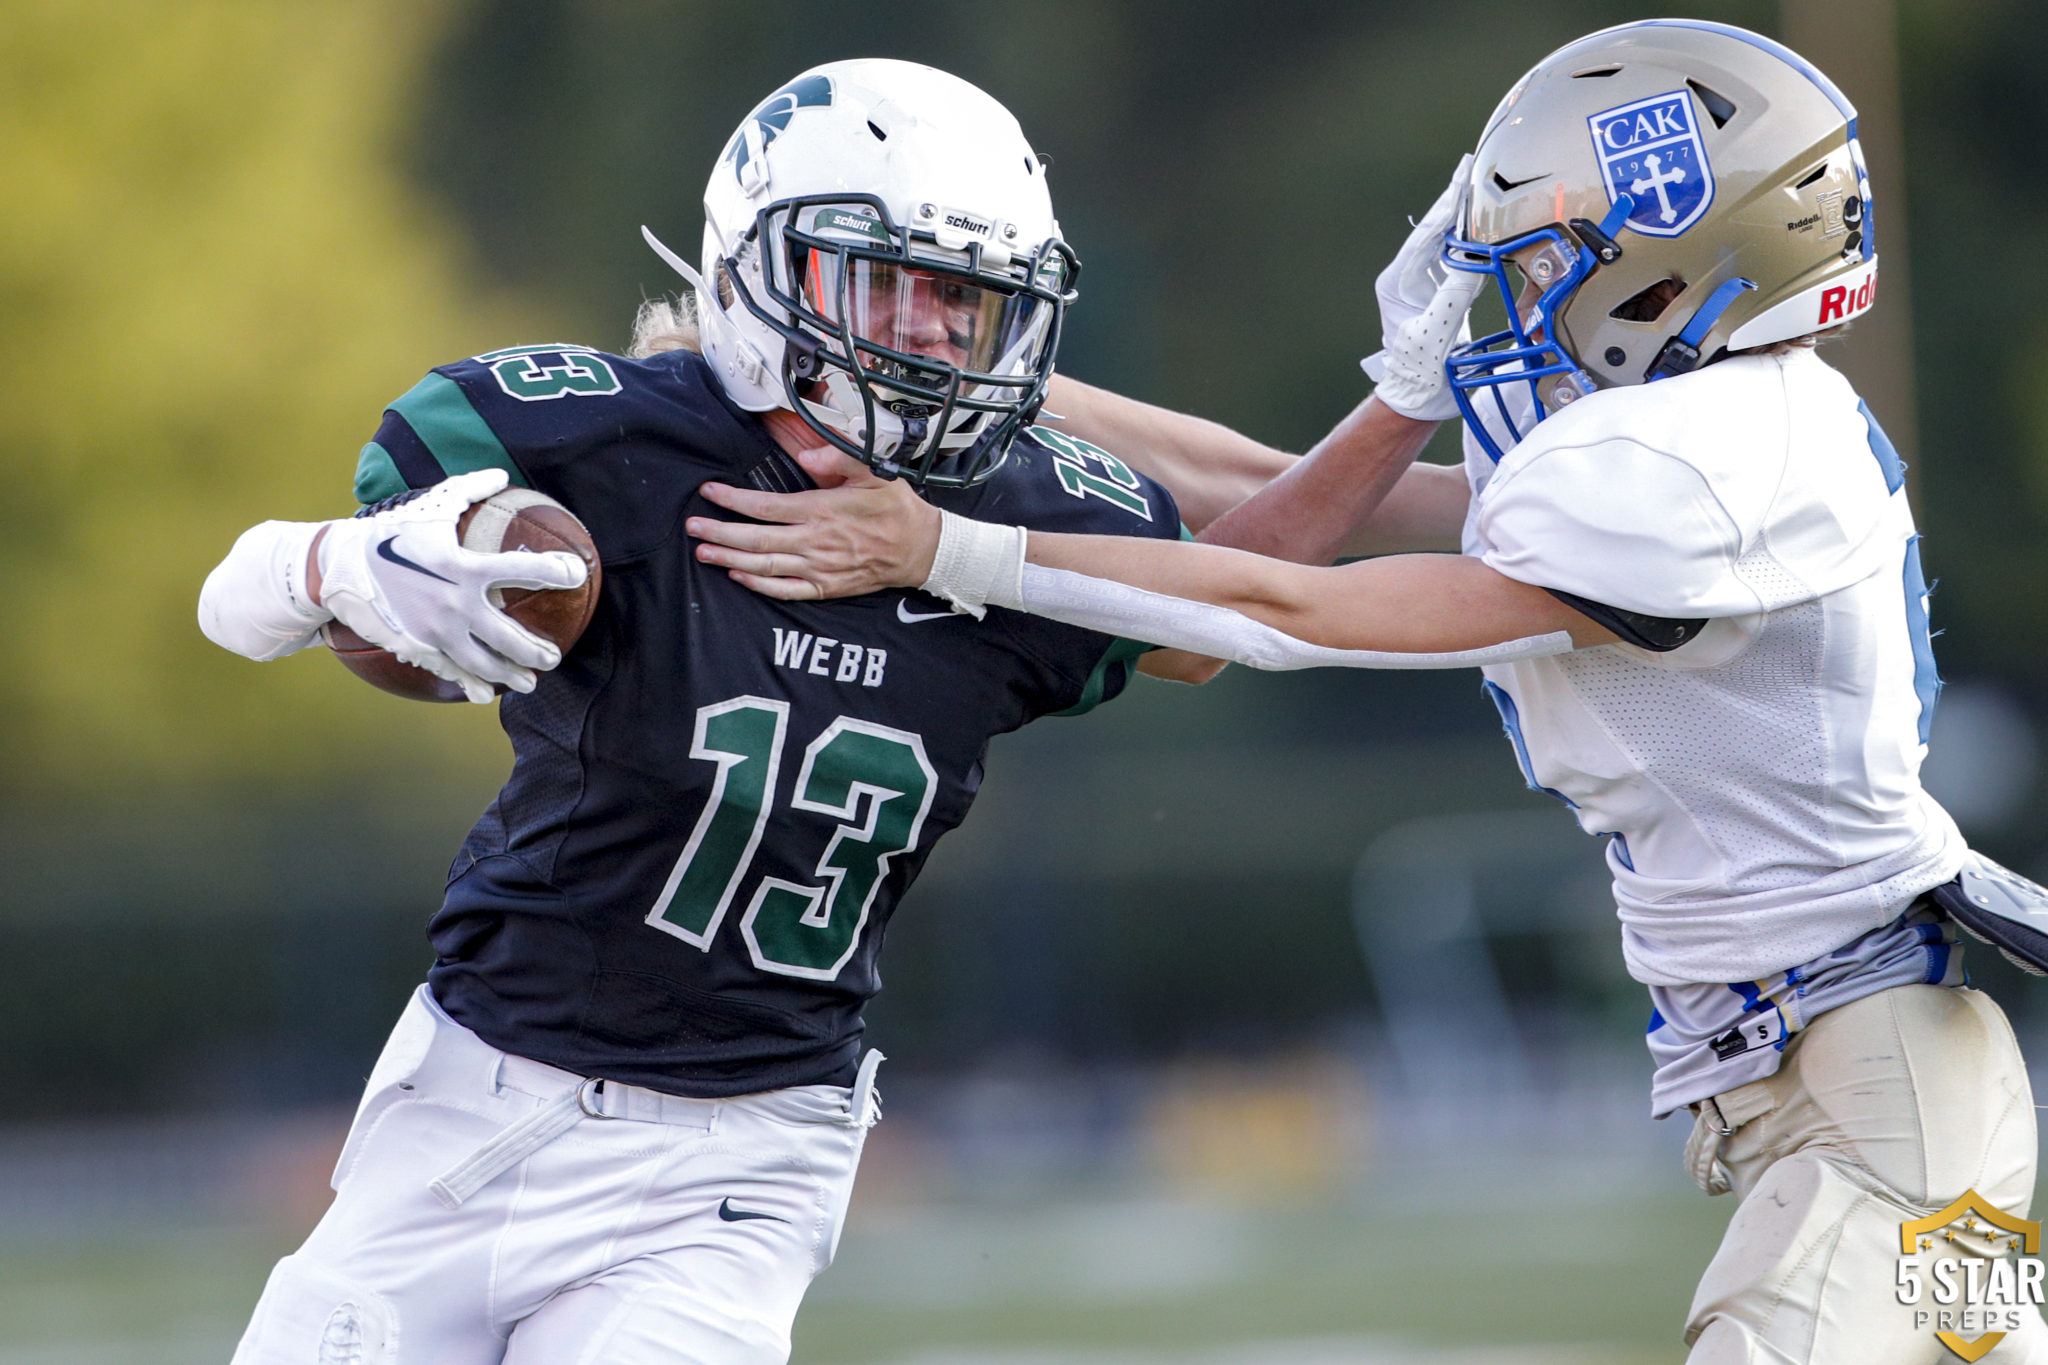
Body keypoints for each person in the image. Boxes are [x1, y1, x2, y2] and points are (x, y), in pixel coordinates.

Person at [687, 22, 2048, 1364]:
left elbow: (1291, 610)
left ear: (1678, 270)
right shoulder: (1726, 430)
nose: (1520, 295)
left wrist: (944, 547)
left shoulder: (1709, 464)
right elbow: (1286, 491)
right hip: (1861, 1067)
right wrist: (954, 380)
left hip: (1879, 1082)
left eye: (1552, 258)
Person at [197, 58, 1211, 1364]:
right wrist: (345, 562)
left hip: (744, 1158)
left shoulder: (1027, 511)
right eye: (886, 279)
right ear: (761, 268)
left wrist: (1404, 435)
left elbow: (1238, 609)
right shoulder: (604, 442)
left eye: (963, 295)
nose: (933, 330)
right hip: (478, 1102)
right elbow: (236, 603)